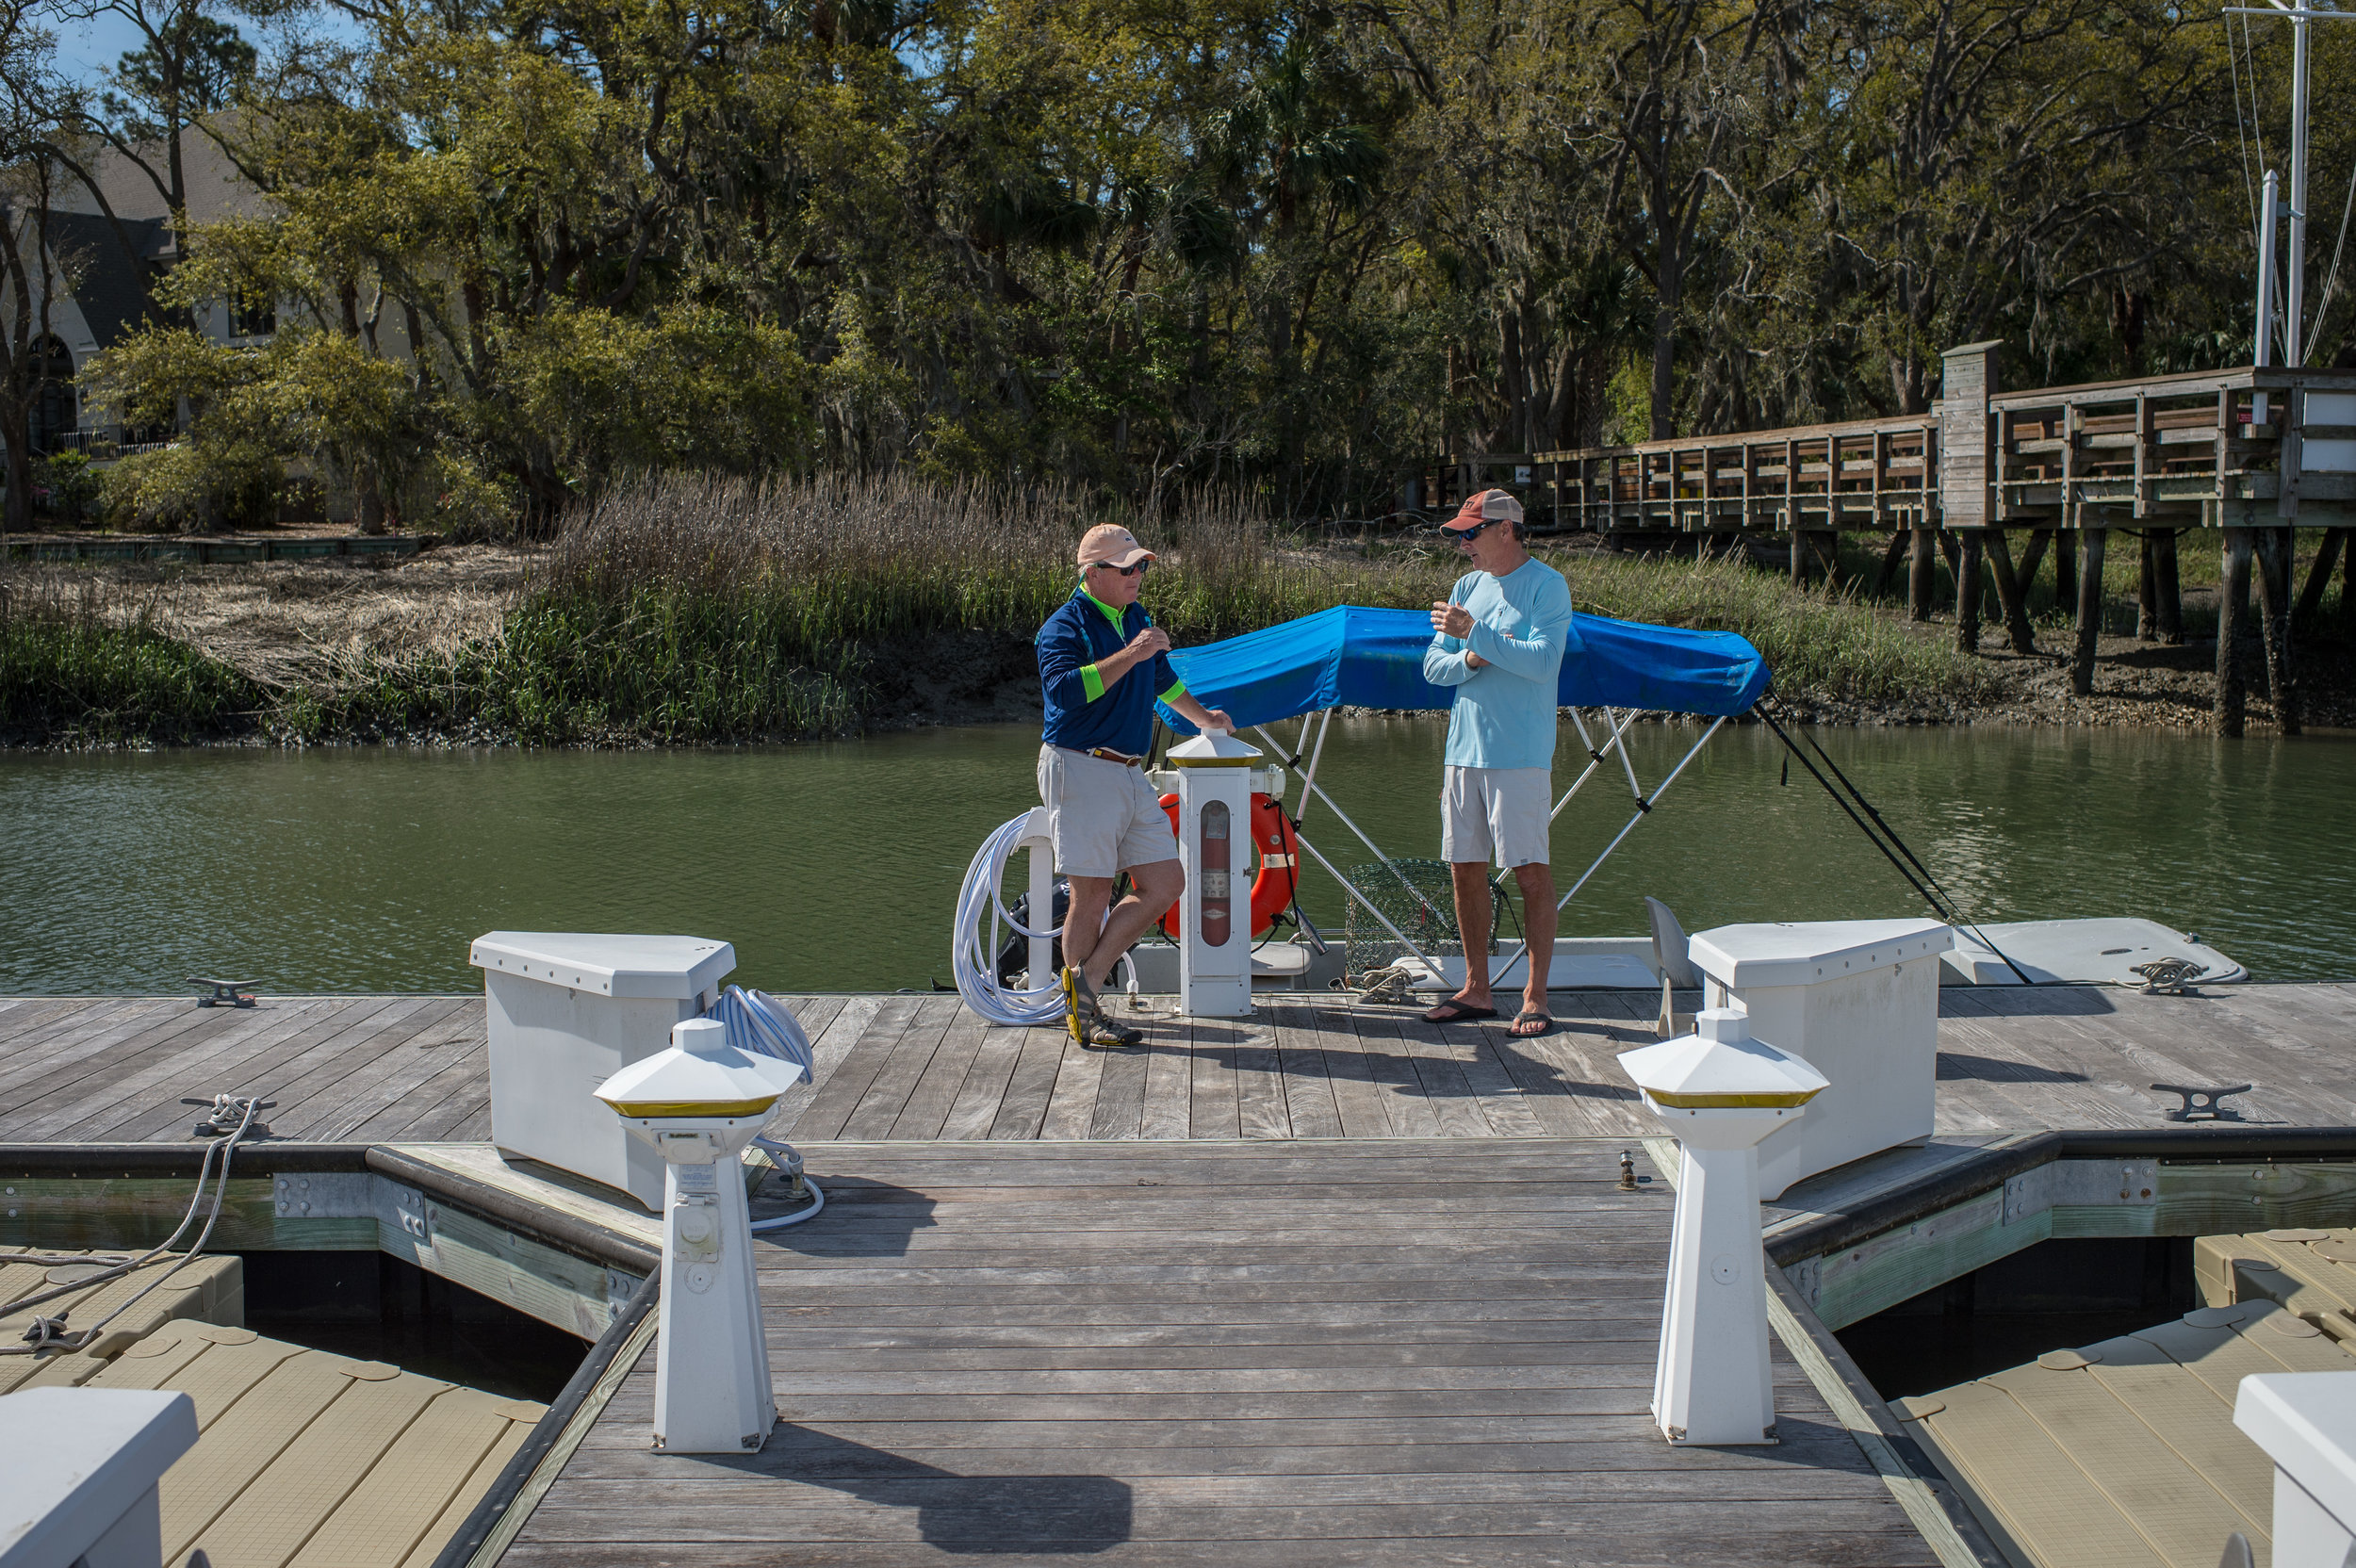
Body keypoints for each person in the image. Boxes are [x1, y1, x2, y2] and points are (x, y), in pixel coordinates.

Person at [1036, 524, 1235, 1048]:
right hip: (1080, 765)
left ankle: (1083, 986)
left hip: (1127, 771)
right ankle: (1084, 1014)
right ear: (1093, 573)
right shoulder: (1063, 626)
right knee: (1093, 891)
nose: (1138, 576)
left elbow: (1161, 679)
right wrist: (1132, 653)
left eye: (1142, 565)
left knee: (1166, 882)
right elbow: (1065, 693)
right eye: (1127, 568)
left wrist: (1205, 719)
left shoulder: (1136, 618)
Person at [1419, 489, 1575, 1038]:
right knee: (1465, 871)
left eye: (1471, 533)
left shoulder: (1547, 586)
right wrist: (1472, 654)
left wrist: (1476, 635)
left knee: (1530, 873)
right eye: (1460, 535)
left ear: (1506, 530)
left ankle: (1536, 997)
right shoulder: (1466, 587)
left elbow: (1543, 662)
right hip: (1463, 753)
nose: (1463, 545)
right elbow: (1434, 669)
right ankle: (1477, 990)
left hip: (1521, 757)